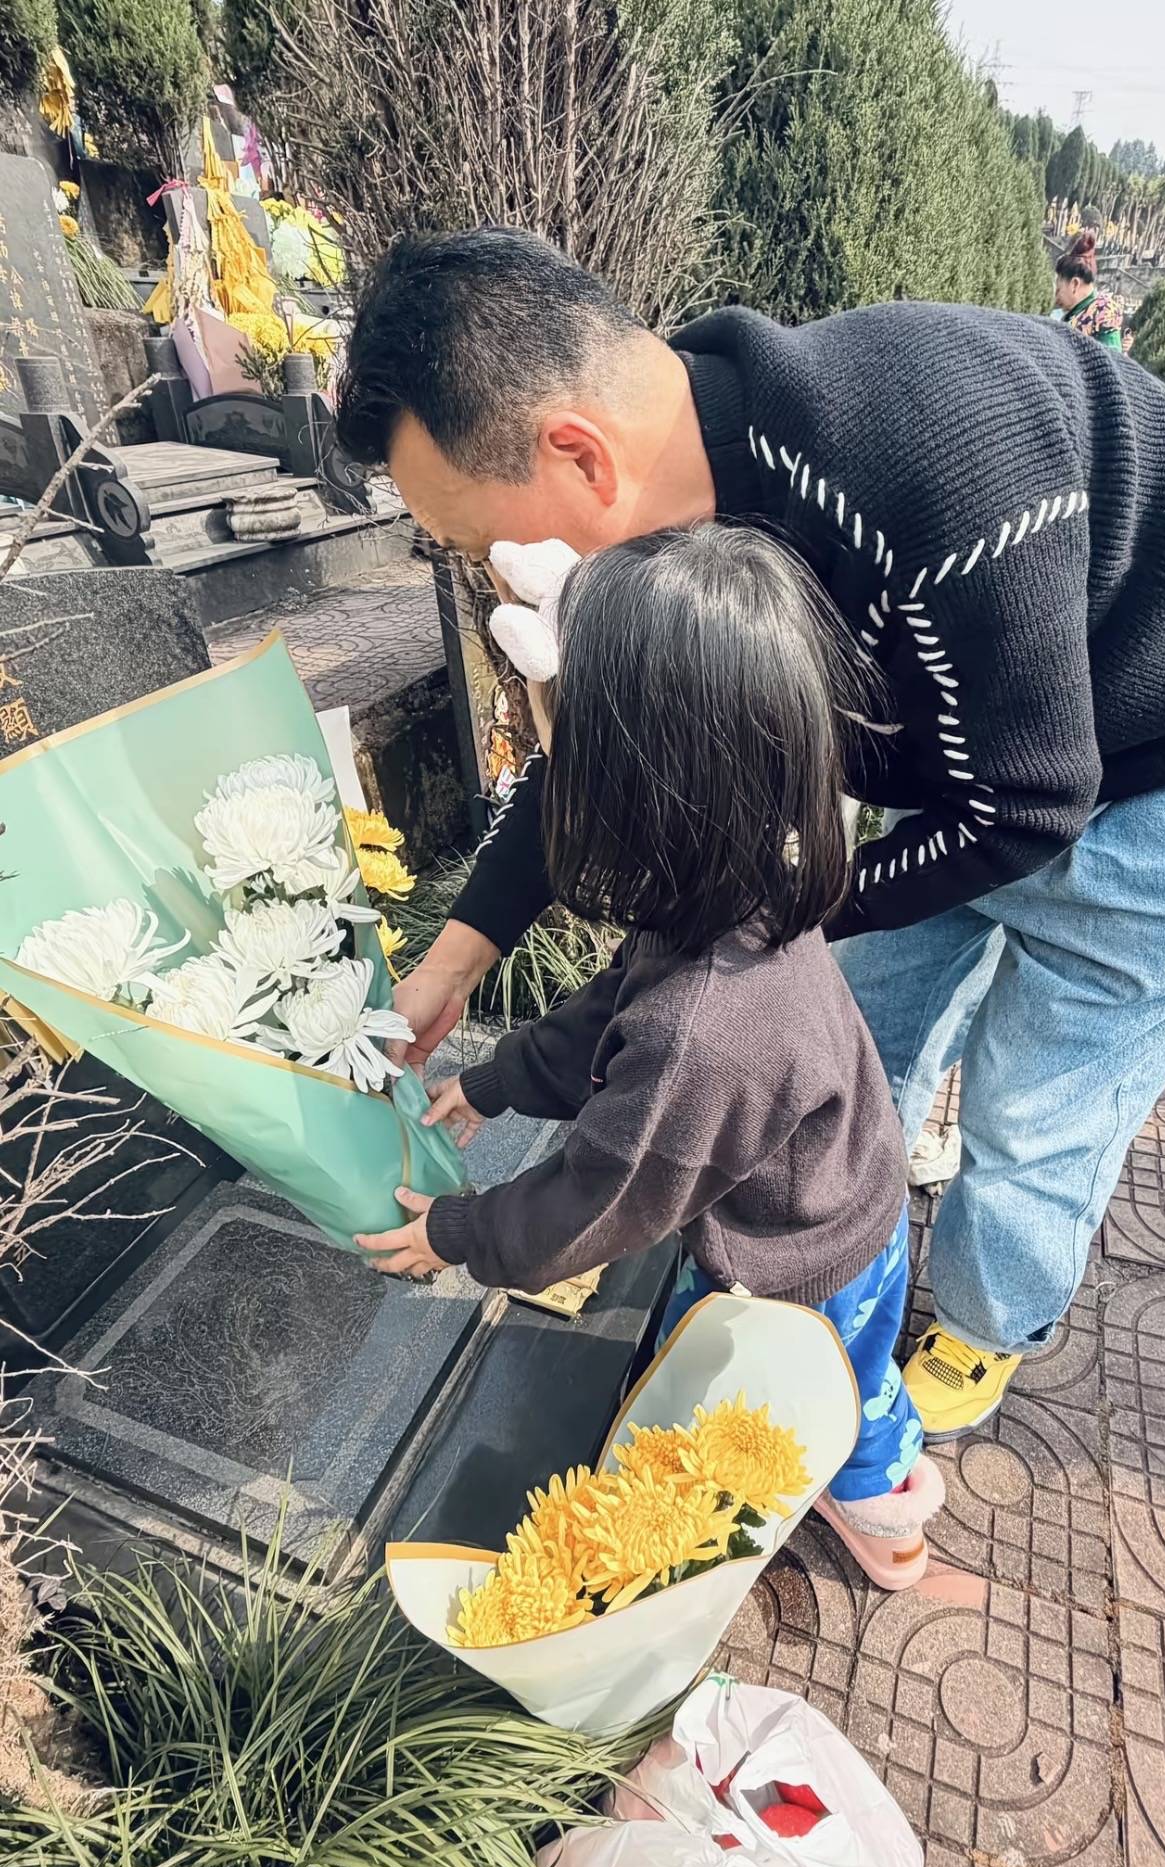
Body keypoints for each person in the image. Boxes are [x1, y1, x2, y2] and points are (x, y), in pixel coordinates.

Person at [336, 227, 1165, 1440]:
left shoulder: (934, 478)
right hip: (972, 765)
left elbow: (1025, 804)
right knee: (842, 1034)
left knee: (1038, 1105)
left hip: (1161, 773)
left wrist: (752, 925)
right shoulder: (681, 518)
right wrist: (458, 958)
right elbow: (593, 754)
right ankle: (833, 1243)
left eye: (483, 544)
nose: (494, 577)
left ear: (579, 455)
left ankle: (985, 1322)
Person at [357, 522, 944, 1588]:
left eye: (558, 762)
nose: (546, 780)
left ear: (632, 795)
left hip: (792, 1266)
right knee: (855, 1371)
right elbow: (611, 1012)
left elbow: (601, 1198)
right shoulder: (739, 886)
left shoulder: (702, 1033)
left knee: (790, 1397)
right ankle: (876, 1478)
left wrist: (460, 1231)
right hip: (844, 1207)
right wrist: (497, 1081)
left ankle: (868, 1514)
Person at [1053, 230, 1124, 348]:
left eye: (1059, 290)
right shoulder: (1071, 314)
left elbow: (1111, 358)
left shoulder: (1104, 312)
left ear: (1074, 284)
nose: (1056, 298)